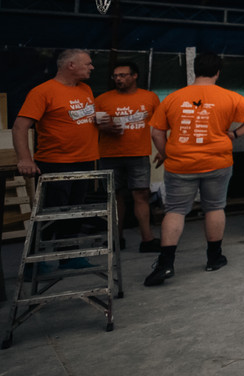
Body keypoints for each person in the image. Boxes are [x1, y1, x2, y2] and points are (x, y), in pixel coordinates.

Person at [145, 52, 244, 287]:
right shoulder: (229, 97)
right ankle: (214, 258)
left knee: (176, 210)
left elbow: (156, 132)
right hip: (217, 162)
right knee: (215, 207)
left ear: (195, 71)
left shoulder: (173, 98)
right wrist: (235, 134)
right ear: (218, 72)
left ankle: (166, 263)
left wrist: (167, 152)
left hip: (180, 165)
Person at [13, 49, 102, 270]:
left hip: (84, 160)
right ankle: (34, 261)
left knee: (76, 211)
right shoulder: (43, 92)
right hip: (56, 162)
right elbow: (19, 127)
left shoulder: (86, 89)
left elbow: (81, 121)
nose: (92, 68)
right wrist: (25, 159)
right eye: (87, 64)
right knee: (50, 214)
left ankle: (68, 256)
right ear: (70, 65)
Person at [96, 60, 162, 252]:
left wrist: (163, 150)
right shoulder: (102, 99)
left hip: (138, 154)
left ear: (134, 76)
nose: (118, 79)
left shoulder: (150, 98)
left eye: (123, 75)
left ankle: (147, 240)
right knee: (114, 196)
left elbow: (160, 126)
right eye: (115, 76)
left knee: (141, 194)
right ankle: (117, 239)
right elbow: (92, 125)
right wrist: (105, 127)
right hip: (109, 155)